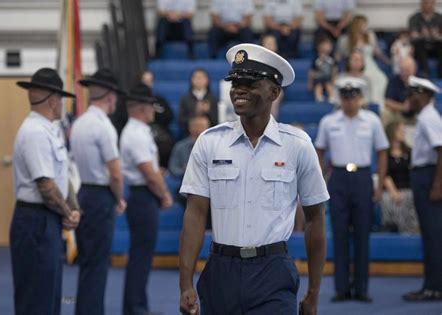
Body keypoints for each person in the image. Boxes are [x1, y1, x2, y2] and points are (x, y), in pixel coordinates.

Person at [179, 43, 329, 315]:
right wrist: (185, 282)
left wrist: (314, 293)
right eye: (235, 82)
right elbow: (195, 213)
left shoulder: (298, 145)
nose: (239, 89)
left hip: (273, 270)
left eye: (249, 82)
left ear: (274, 92)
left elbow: (316, 218)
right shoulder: (210, 142)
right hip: (220, 270)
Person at [11, 68, 81, 314]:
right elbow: (46, 186)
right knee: (36, 298)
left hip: (47, 218)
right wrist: (68, 212)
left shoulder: (50, 130)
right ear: (52, 100)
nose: (61, 104)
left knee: (50, 294)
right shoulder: (35, 132)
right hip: (35, 220)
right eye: (60, 99)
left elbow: (62, 177)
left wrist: (73, 208)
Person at [315, 77, 389, 303]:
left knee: (362, 235)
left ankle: (362, 288)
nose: (350, 101)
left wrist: (380, 184)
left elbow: (383, 151)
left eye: (354, 97)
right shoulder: (329, 121)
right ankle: (341, 288)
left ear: (360, 98)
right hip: (338, 178)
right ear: (341, 99)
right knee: (338, 234)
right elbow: (319, 150)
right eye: (346, 97)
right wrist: (319, 181)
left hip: (362, 177)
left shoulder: (372, 121)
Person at [70, 68, 127, 315]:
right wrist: (119, 198)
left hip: (83, 192)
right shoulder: (104, 127)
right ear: (110, 95)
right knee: (97, 264)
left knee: (88, 263)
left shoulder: (79, 123)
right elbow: (115, 172)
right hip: (100, 197)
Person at [120, 84, 174, 315]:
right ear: (142, 108)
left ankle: (137, 305)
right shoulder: (136, 133)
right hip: (143, 196)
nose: (154, 109)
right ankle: (135, 308)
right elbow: (148, 173)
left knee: (141, 255)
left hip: (142, 195)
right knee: (141, 256)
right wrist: (164, 193)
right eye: (151, 105)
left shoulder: (138, 130)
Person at [402, 76, 442, 301]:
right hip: (425, 175)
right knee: (430, 234)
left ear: (425, 95)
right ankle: (433, 283)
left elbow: (441, 150)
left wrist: (438, 184)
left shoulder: (429, 118)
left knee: (433, 235)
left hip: (428, 177)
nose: (411, 98)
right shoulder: (426, 116)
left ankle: (434, 287)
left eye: (414, 94)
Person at [336, 15, 390, 107]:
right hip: (356, 64)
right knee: (367, 79)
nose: (366, 27)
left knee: (382, 78)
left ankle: (378, 103)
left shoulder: (370, 36)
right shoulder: (345, 39)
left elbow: (377, 52)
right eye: (364, 24)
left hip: (370, 64)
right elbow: (339, 55)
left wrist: (388, 61)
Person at [380, 122, 419, 234]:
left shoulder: (409, 152)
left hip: (408, 188)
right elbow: (384, 173)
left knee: (408, 197)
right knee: (388, 199)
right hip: (391, 190)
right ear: (392, 132)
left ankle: (409, 230)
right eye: (400, 130)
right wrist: (393, 192)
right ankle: (392, 228)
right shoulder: (385, 153)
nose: (403, 133)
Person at [141, 70, 175, 168]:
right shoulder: (134, 103)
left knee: (165, 146)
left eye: (150, 81)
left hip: (160, 133)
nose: (148, 84)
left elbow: (169, 117)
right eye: (145, 81)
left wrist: (154, 113)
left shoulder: (159, 100)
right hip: (142, 132)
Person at [408, 0, 442, 78]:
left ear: (433, 3)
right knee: (419, 43)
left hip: (436, 47)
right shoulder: (414, 18)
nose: (427, 5)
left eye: (429, 2)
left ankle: (440, 76)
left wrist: (436, 36)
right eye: (425, 2)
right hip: (421, 48)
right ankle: (426, 74)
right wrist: (423, 35)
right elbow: (413, 35)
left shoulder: (439, 18)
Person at [382, 56, 417, 126]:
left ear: (414, 69)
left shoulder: (422, 79)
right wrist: (403, 107)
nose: (405, 73)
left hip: (417, 114)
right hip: (399, 113)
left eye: (408, 70)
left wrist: (415, 106)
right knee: (385, 113)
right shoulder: (393, 80)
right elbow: (387, 102)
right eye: (403, 70)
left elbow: (430, 101)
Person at [308, 36, 337, 103]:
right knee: (318, 86)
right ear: (319, 47)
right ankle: (318, 97)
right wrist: (310, 83)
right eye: (325, 45)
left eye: (329, 45)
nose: (327, 47)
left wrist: (334, 80)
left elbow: (334, 70)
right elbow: (312, 71)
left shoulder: (332, 59)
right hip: (318, 77)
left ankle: (332, 96)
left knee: (328, 85)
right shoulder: (316, 59)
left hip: (328, 77)